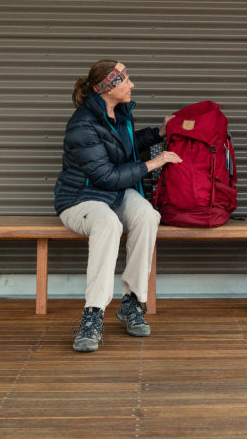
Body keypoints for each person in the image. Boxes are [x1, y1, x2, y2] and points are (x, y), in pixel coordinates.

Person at [53, 60, 181, 352]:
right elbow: (106, 176)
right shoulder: (81, 125)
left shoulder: (118, 113)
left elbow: (123, 146)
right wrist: (154, 163)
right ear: (107, 88)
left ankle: (133, 301)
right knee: (108, 223)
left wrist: (159, 134)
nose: (131, 85)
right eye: (125, 80)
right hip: (80, 198)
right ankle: (93, 314)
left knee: (148, 215)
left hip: (115, 195)